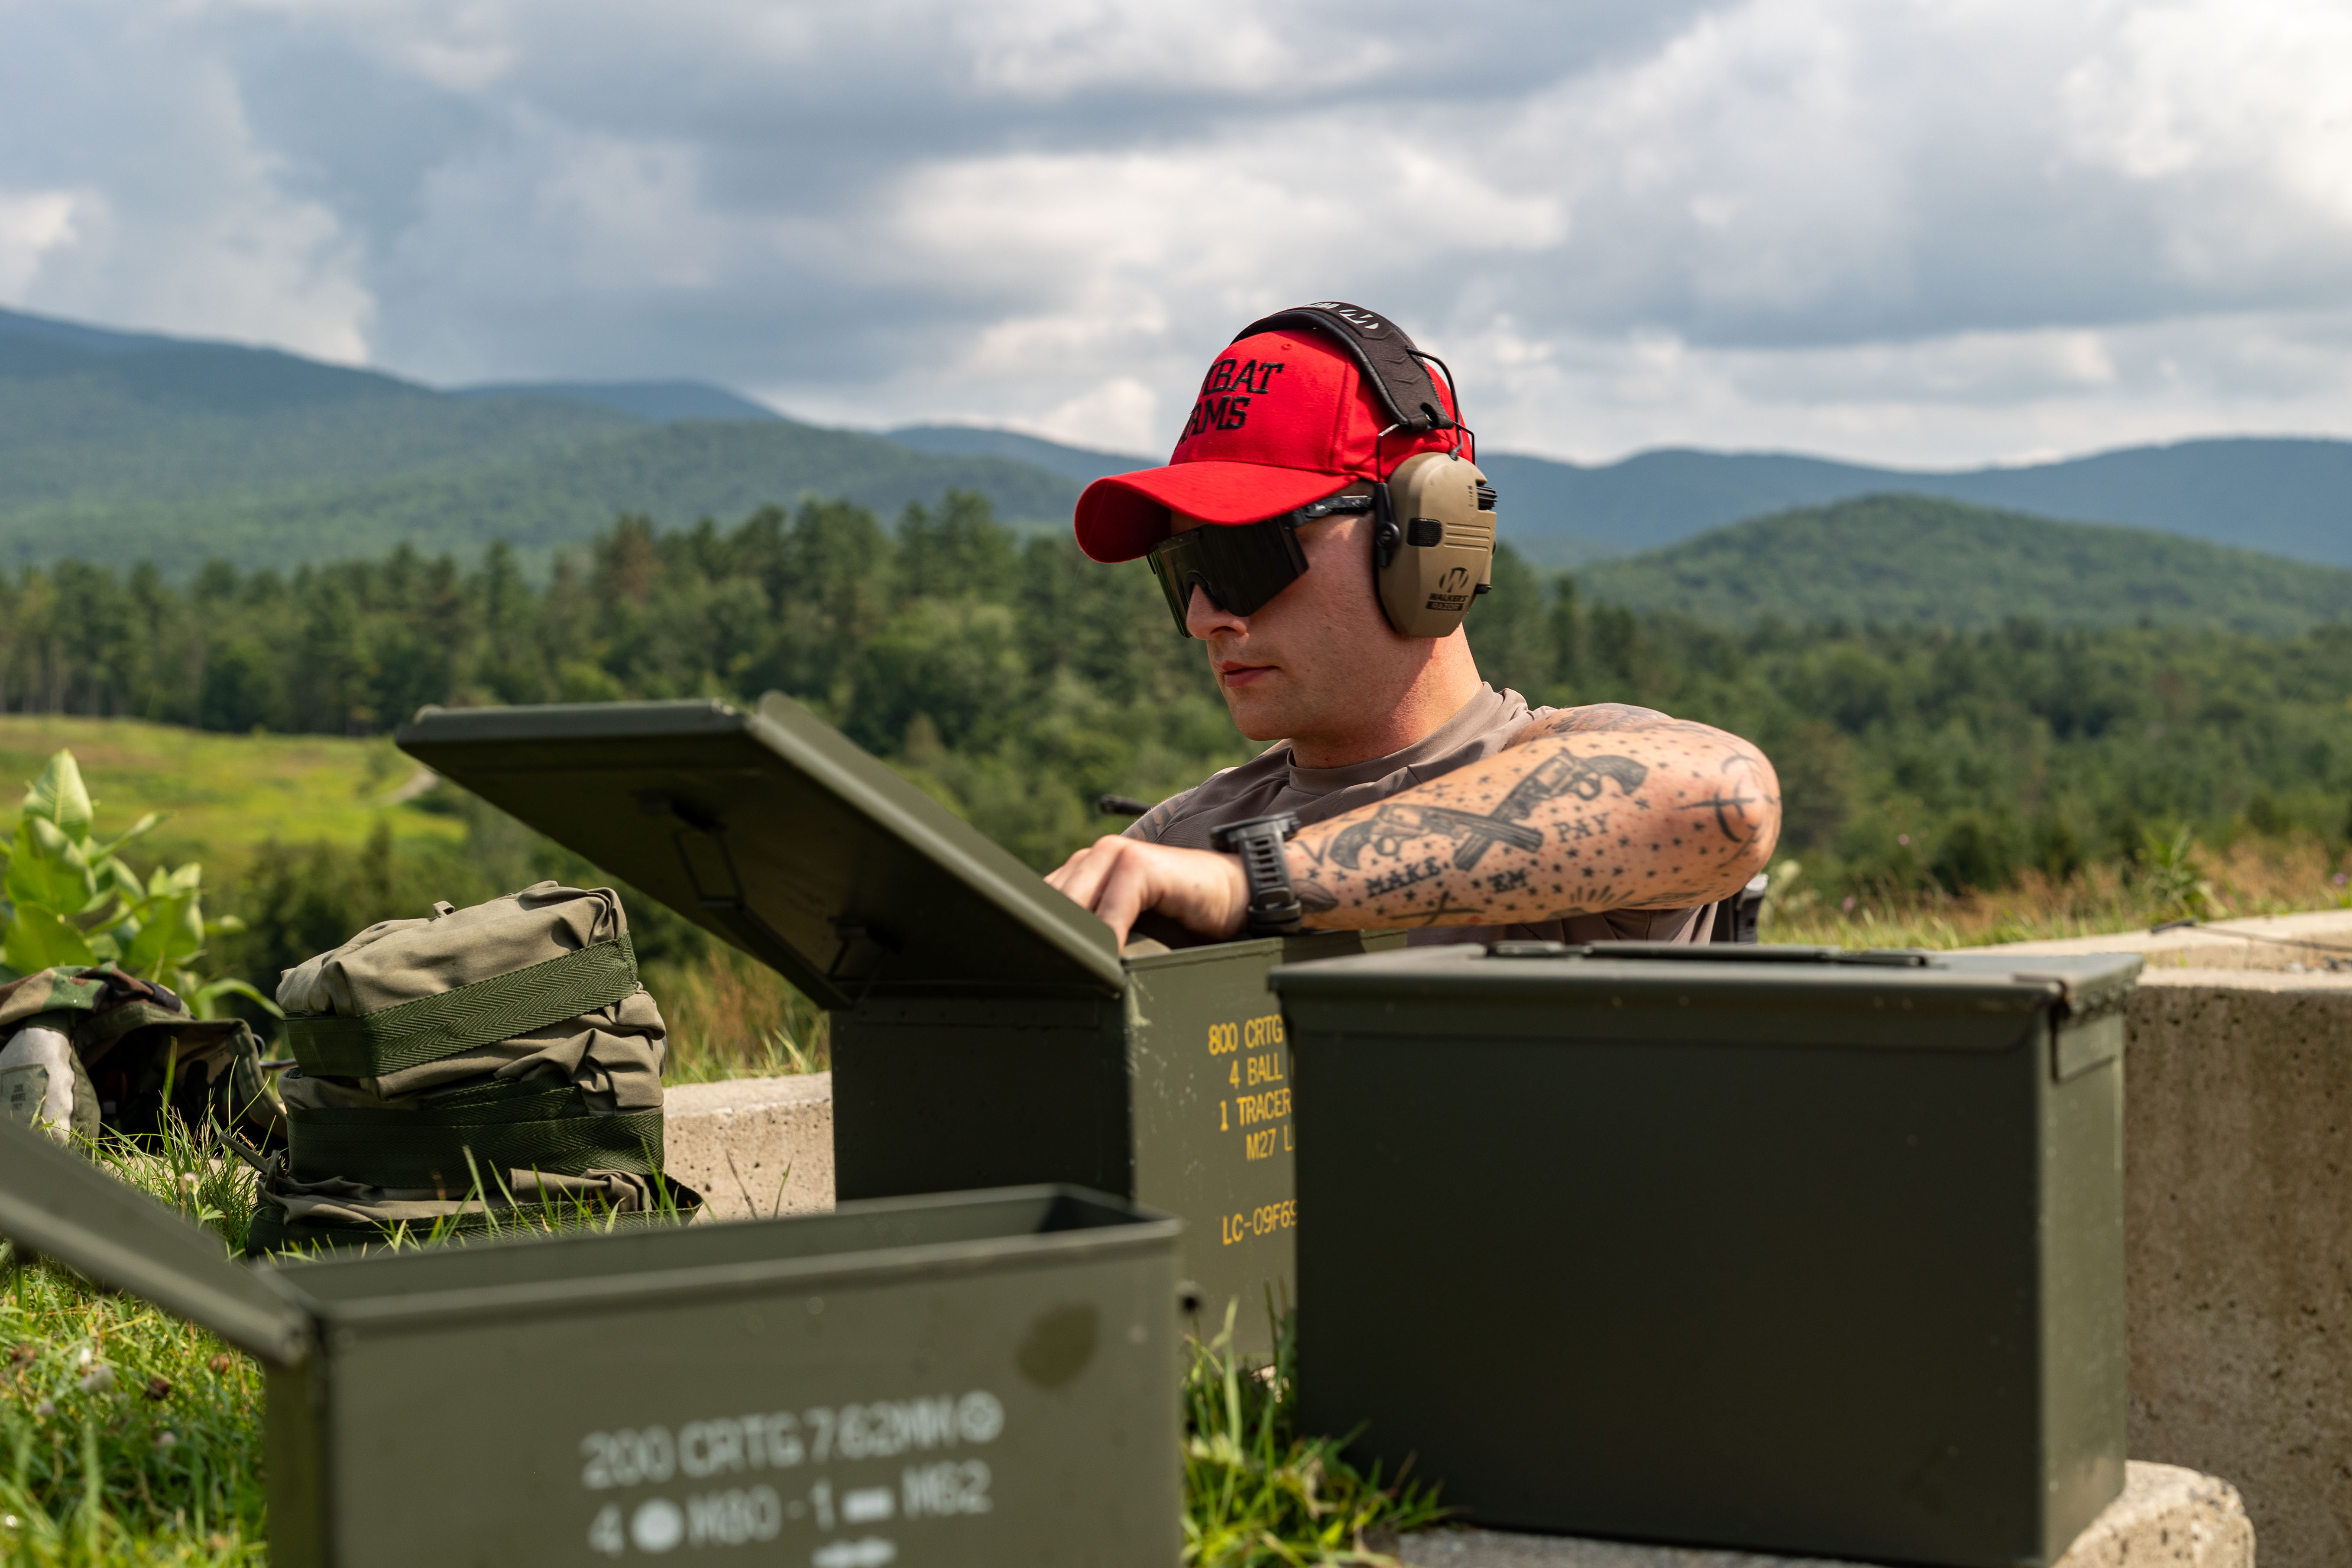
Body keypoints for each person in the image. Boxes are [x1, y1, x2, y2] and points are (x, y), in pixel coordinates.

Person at [1044, 301, 1781, 949]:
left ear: (1427, 536)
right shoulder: (1176, 841)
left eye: (1242, 555)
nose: (1206, 616)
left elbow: (1724, 796)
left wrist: (1249, 883)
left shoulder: (1564, 771)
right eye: (1183, 570)